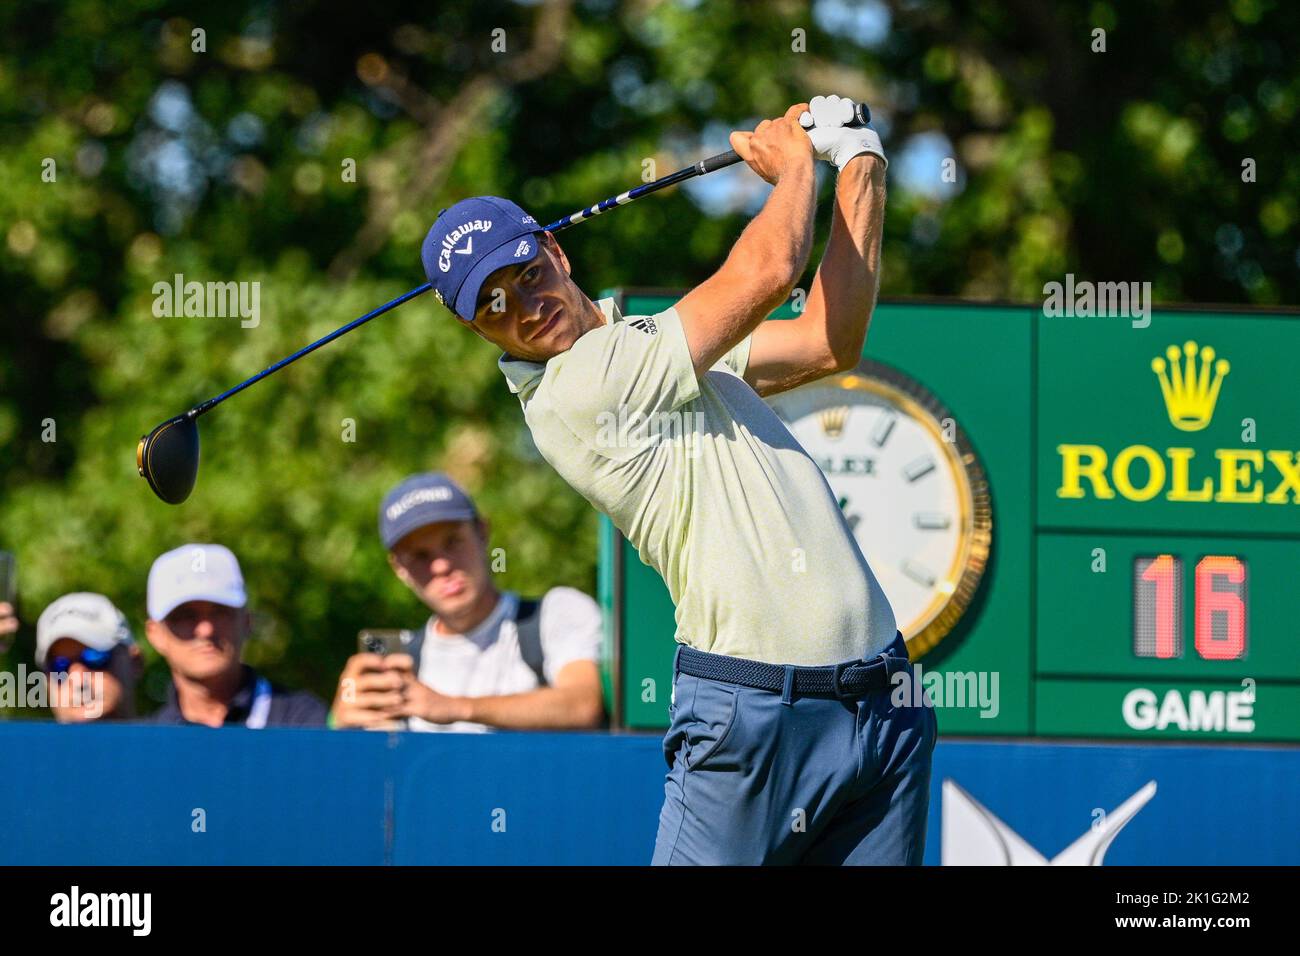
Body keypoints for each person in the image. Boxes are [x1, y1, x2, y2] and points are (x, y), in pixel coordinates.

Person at [419, 94, 936, 865]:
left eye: (525, 276)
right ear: (477, 329)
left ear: (556, 252)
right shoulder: (576, 387)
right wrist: (795, 164)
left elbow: (832, 341)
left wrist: (859, 163)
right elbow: (767, 270)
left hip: (881, 703)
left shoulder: (644, 344)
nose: (523, 309)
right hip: (754, 712)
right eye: (493, 306)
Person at [330, 472, 604, 732]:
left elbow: (582, 704)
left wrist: (454, 708)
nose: (440, 566)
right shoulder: (399, 664)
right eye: (420, 556)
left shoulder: (556, 613)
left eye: (452, 543)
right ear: (399, 568)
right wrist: (340, 724)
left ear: (483, 532)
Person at [145, 543, 327, 728]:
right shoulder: (144, 745)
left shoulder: (305, 722)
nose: (206, 629)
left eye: (220, 612)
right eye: (186, 616)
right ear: (155, 634)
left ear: (247, 622)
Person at [35, 592, 141, 722]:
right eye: (59, 666)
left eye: (94, 657)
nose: (79, 681)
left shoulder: (169, 738)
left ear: (135, 662)